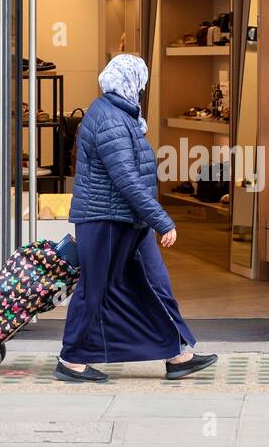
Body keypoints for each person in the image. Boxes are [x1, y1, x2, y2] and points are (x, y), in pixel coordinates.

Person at [56, 54, 217, 383]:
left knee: (155, 284)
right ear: (128, 82)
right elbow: (126, 178)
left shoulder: (123, 115)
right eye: (140, 83)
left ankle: (176, 354)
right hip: (106, 219)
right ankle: (71, 359)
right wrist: (163, 220)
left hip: (129, 220)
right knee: (95, 289)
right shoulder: (110, 118)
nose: (142, 90)